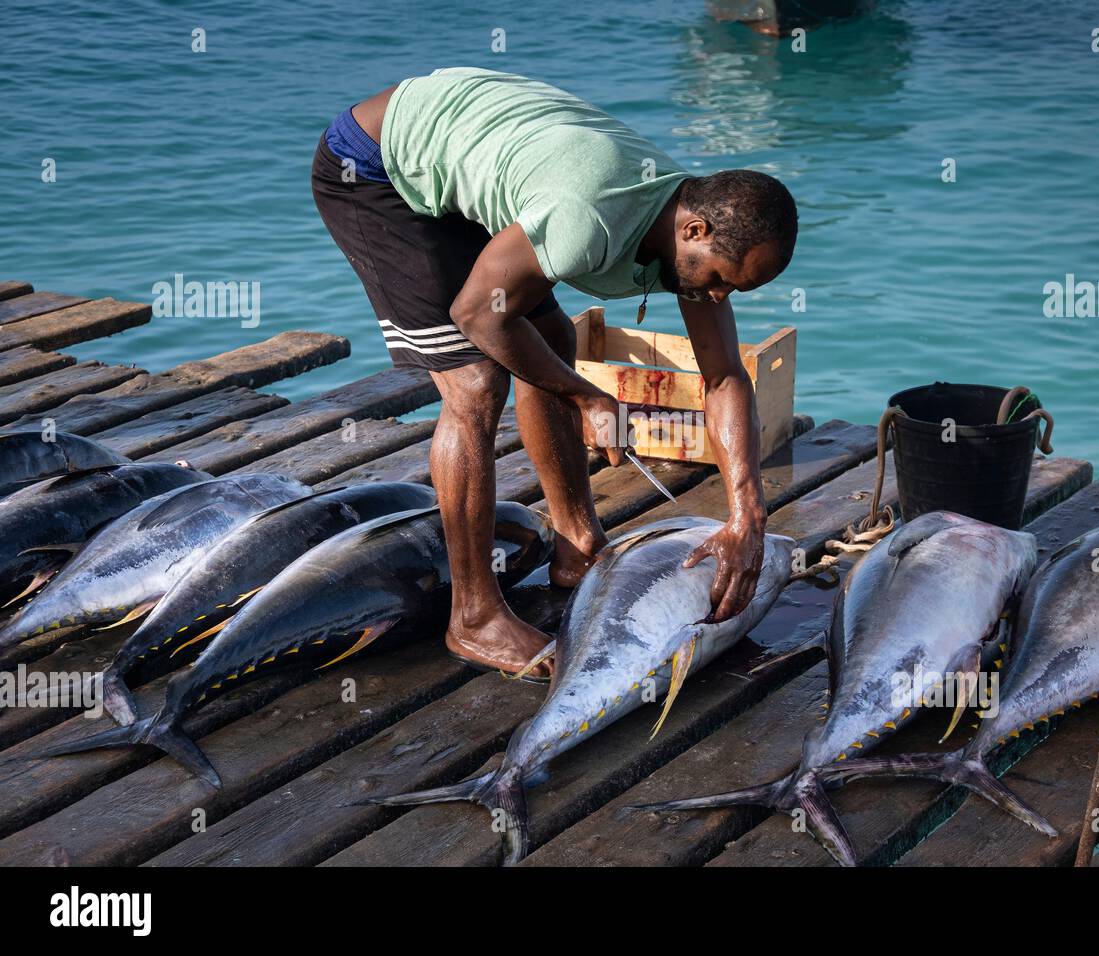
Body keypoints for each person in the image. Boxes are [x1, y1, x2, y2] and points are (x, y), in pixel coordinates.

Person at [312, 67, 798, 680]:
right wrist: (586, 398)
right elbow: (477, 314)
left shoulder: (686, 222)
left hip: (472, 149)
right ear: (694, 229)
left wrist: (747, 513)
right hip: (374, 165)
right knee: (476, 382)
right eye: (722, 278)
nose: (720, 295)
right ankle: (473, 617)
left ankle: (577, 544)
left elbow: (725, 375)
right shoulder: (588, 219)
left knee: (552, 337)